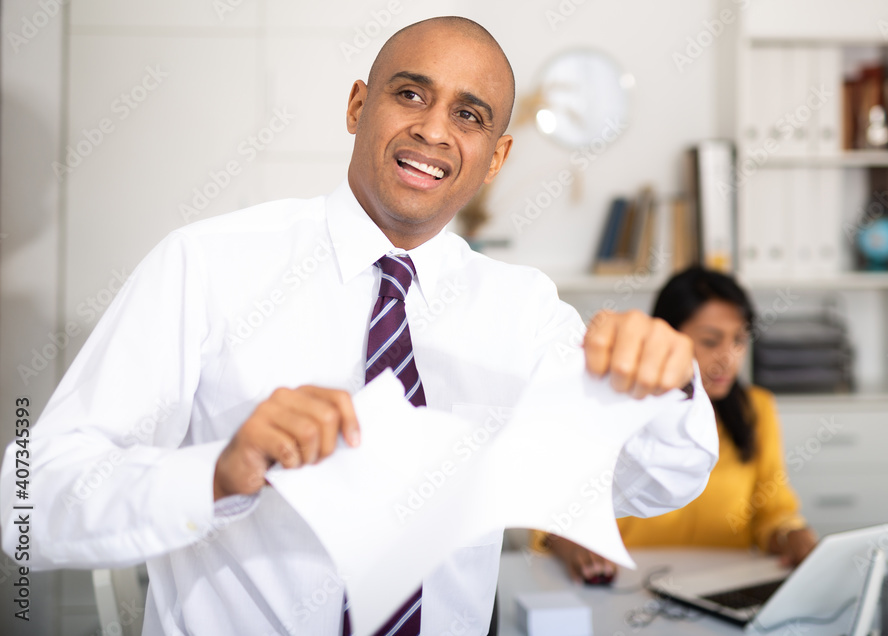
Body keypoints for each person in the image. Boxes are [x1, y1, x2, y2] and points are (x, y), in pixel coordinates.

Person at [0, 17, 718, 635]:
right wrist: (217, 472)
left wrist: (666, 385)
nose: (434, 129)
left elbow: (655, 483)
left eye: (470, 115)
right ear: (356, 106)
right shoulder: (207, 264)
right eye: (410, 94)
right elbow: (26, 506)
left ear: (496, 157)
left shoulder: (524, 310)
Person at [543, 265, 818, 583]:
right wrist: (573, 544)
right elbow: (555, 511)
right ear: (668, 339)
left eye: (739, 340)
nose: (729, 359)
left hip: (724, 583)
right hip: (629, 586)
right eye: (711, 341)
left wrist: (791, 536)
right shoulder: (612, 406)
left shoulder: (756, 408)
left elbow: (773, 510)